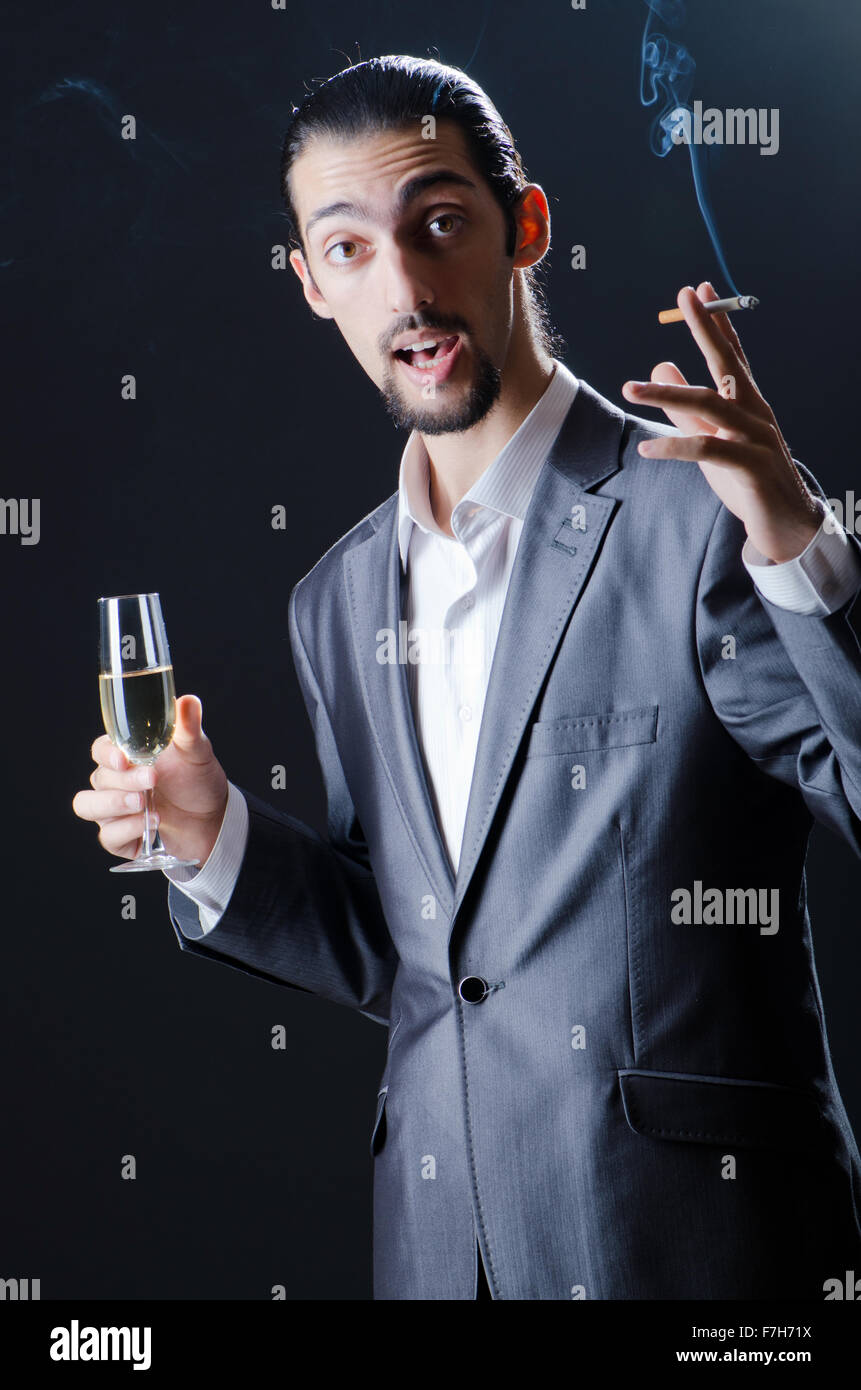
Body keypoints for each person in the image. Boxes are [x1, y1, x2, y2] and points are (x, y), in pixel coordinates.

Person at [73, 55, 861, 1300]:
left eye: (439, 223)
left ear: (526, 228)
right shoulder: (333, 601)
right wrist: (214, 836)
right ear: (310, 286)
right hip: (440, 1260)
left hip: (695, 1257)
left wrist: (799, 545)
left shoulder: (705, 516)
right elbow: (423, 960)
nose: (405, 287)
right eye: (348, 249)